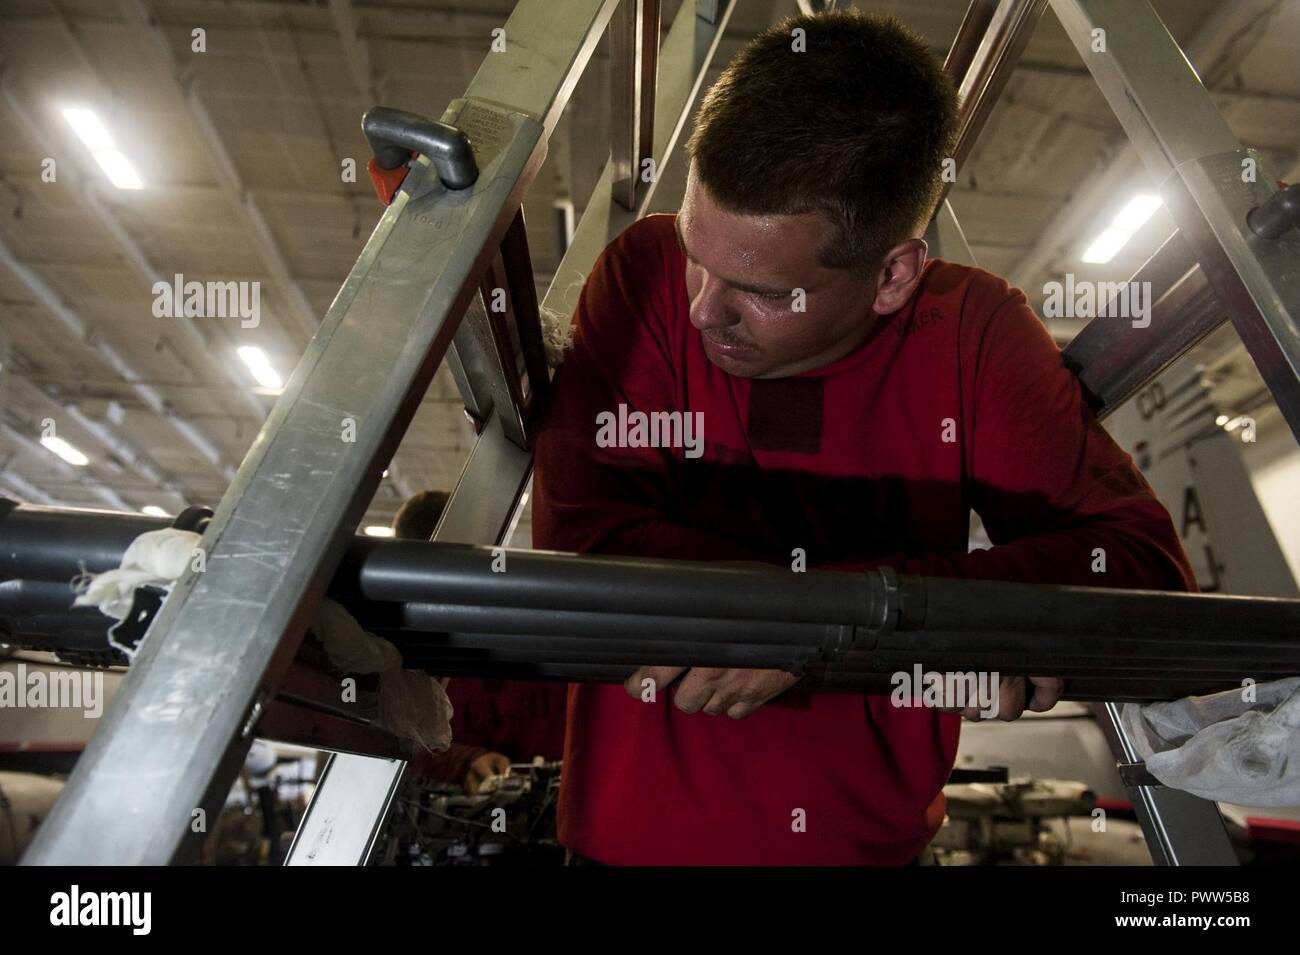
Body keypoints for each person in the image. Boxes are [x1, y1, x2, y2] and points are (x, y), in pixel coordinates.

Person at [530, 10, 1196, 865]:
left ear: (892, 276)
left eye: (759, 291)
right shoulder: (647, 274)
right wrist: (925, 621)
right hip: (621, 851)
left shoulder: (971, 331)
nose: (703, 309)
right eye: (702, 254)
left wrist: (818, 631)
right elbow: (588, 545)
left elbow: (1138, 567)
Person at [392, 490, 566, 793]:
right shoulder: (404, 653)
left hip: (552, 806)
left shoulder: (544, 621)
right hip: (482, 815)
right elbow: (396, 745)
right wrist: (463, 762)